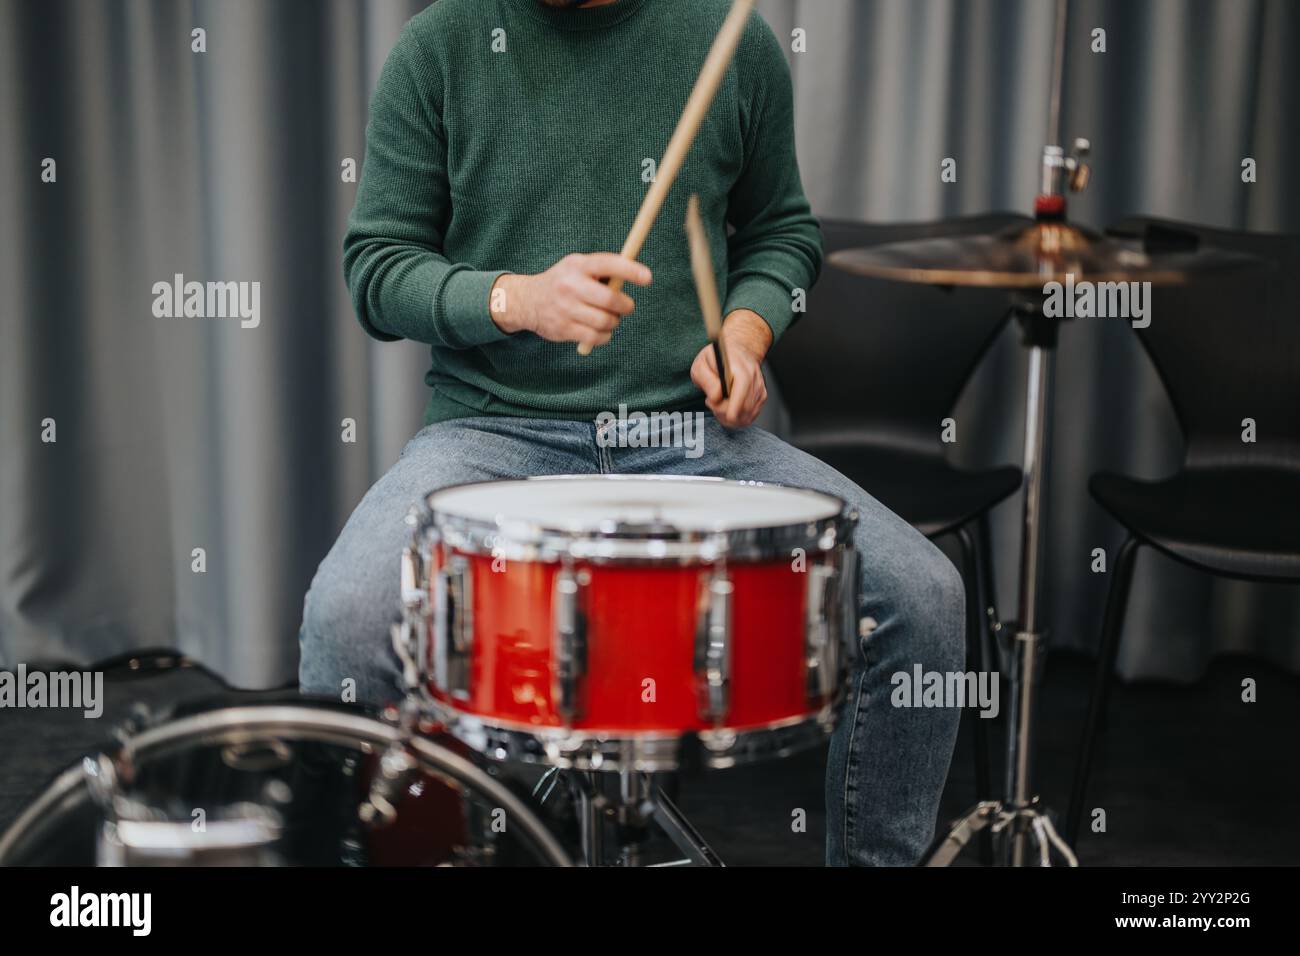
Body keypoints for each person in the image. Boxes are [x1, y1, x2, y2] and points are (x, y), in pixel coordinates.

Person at [299, 0, 964, 866]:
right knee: (346, 622)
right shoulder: (439, 48)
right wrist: (518, 299)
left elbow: (780, 233)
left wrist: (746, 332)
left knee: (924, 600)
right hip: (491, 434)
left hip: (691, 440)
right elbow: (377, 269)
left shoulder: (732, 42)